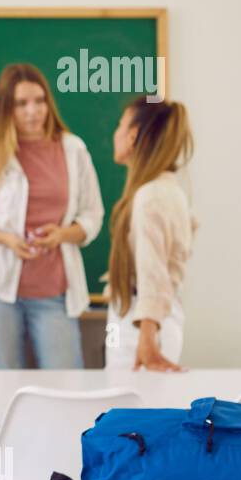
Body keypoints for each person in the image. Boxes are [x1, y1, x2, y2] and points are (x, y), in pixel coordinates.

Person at [0, 63, 104, 369]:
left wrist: (62, 235)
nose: (33, 111)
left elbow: (93, 214)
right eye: (22, 104)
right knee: (2, 387)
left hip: (55, 293)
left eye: (39, 100)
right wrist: (5, 238)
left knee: (66, 386)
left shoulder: (73, 150)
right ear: (7, 109)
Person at [105, 96, 196, 371]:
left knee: (133, 411)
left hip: (143, 325)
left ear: (132, 136)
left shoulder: (150, 196)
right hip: (151, 317)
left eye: (120, 125)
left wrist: (147, 339)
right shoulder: (165, 189)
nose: (115, 133)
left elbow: (153, 272)